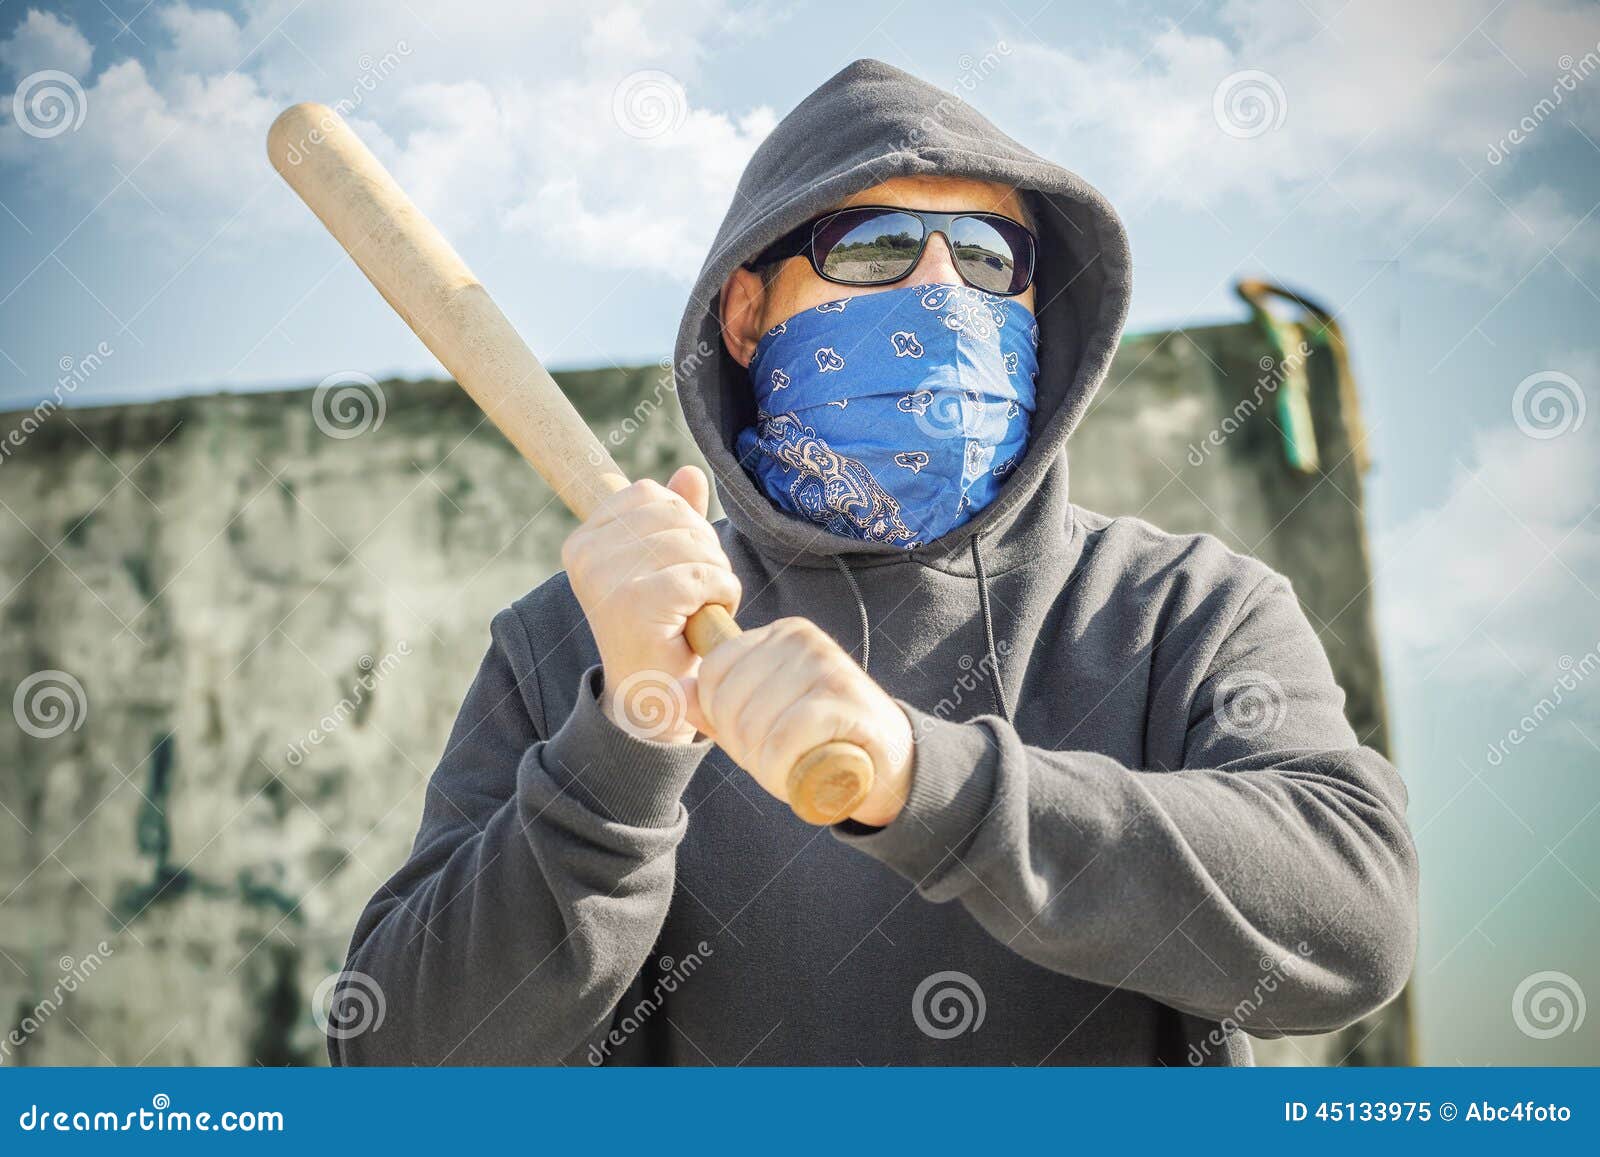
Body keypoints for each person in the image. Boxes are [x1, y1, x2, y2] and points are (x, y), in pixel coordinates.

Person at [332, 59, 1417, 1066]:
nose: (943, 292)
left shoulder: (1187, 608)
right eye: (873, 244)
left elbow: (1352, 927)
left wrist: (922, 776)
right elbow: (397, 1056)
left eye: (992, 257)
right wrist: (624, 742)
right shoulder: (586, 636)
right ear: (750, 313)